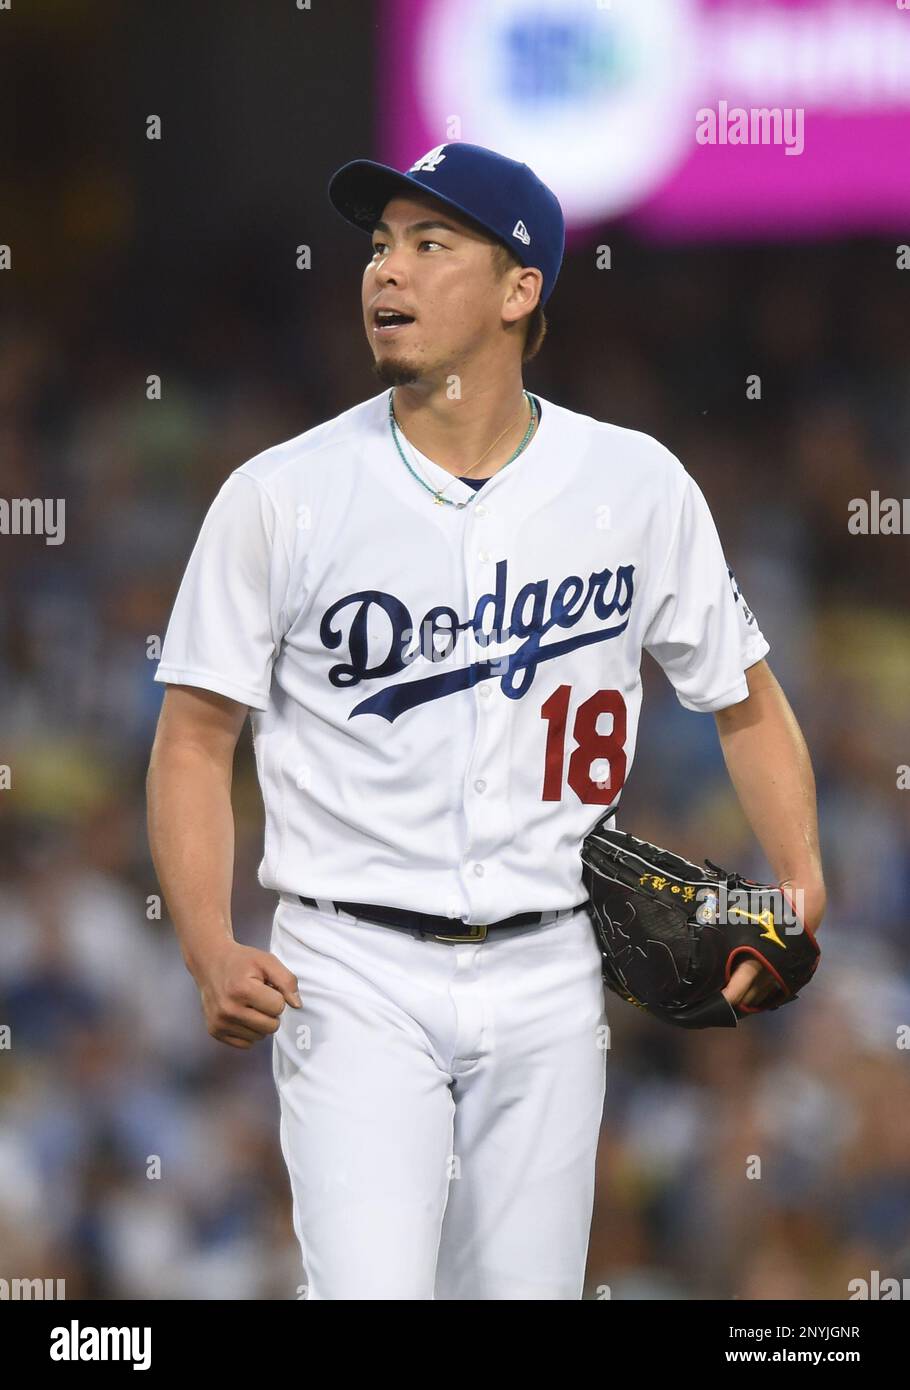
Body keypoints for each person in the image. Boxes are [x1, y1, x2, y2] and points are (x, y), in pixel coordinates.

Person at [146, 142, 826, 1300]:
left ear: (520, 291)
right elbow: (193, 736)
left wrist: (799, 888)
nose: (384, 271)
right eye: (376, 245)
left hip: (554, 965)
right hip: (347, 964)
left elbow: (744, 698)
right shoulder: (282, 494)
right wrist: (208, 943)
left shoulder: (634, 483)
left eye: (428, 243)